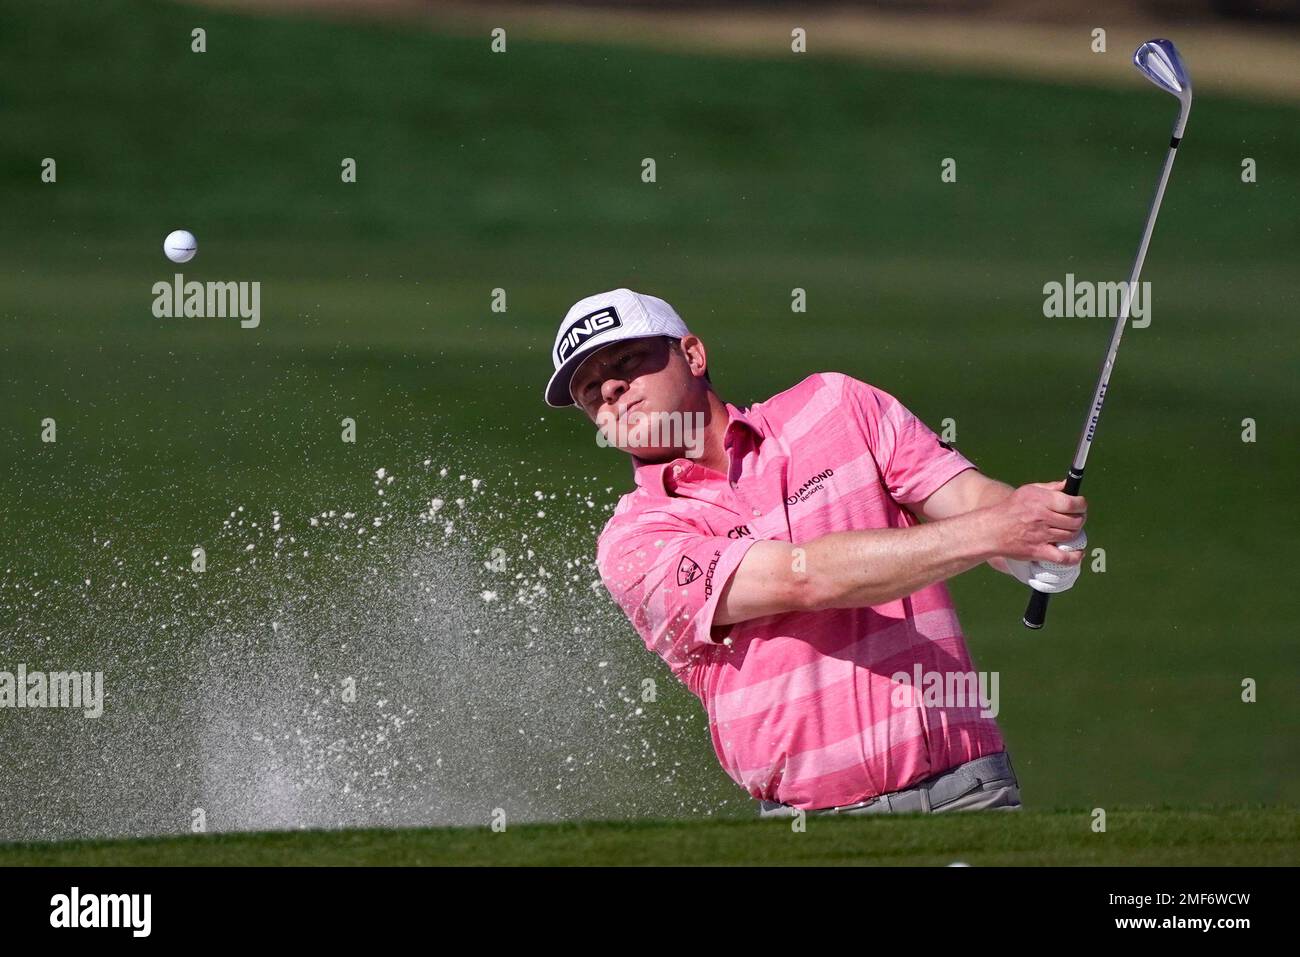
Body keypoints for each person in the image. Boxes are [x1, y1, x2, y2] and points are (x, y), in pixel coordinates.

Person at [544, 288, 1087, 816]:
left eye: (627, 360)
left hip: (966, 791)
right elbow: (802, 580)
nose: (611, 389)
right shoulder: (635, 541)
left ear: (692, 354)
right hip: (810, 828)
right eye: (590, 390)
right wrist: (1000, 530)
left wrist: (1037, 544)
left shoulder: (836, 404)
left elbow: (969, 500)